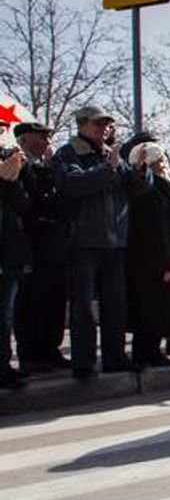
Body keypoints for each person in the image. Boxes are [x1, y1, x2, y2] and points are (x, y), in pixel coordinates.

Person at [54, 105, 146, 378]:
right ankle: (83, 362)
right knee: (83, 307)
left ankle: (115, 357)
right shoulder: (68, 153)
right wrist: (108, 169)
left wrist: (141, 170)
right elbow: (72, 185)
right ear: (82, 126)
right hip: (84, 241)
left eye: (106, 124)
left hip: (115, 241)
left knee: (115, 304)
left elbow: (136, 190)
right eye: (98, 124)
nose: (103, 129)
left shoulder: (111, 155)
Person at [125, 142, 170, 368]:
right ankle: (146, 352)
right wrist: (164, 263)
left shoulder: (161, 188)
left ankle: (152, 350)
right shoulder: (148, 193)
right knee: (151, 309)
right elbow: (154, 231)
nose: (164, 166)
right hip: (151, 260)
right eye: (159, 162)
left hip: (161, 256)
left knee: (161, 308)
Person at [13, 122, 68, 372]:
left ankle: (49, 349)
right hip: (32, 240)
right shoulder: (20, 164)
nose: (45, 141)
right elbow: (27, 200)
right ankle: (31, 353)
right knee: (30, 301)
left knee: (54, 299)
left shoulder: (49, 166)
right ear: (24, 139)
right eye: (39, 137)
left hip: (54, 240)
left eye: (46, 137)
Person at [0, 148, 29, 389]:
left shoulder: (8, 161)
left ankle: (3, 365)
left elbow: (24, 206)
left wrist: (11, 182)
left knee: (5, 315)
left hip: (8, 252)